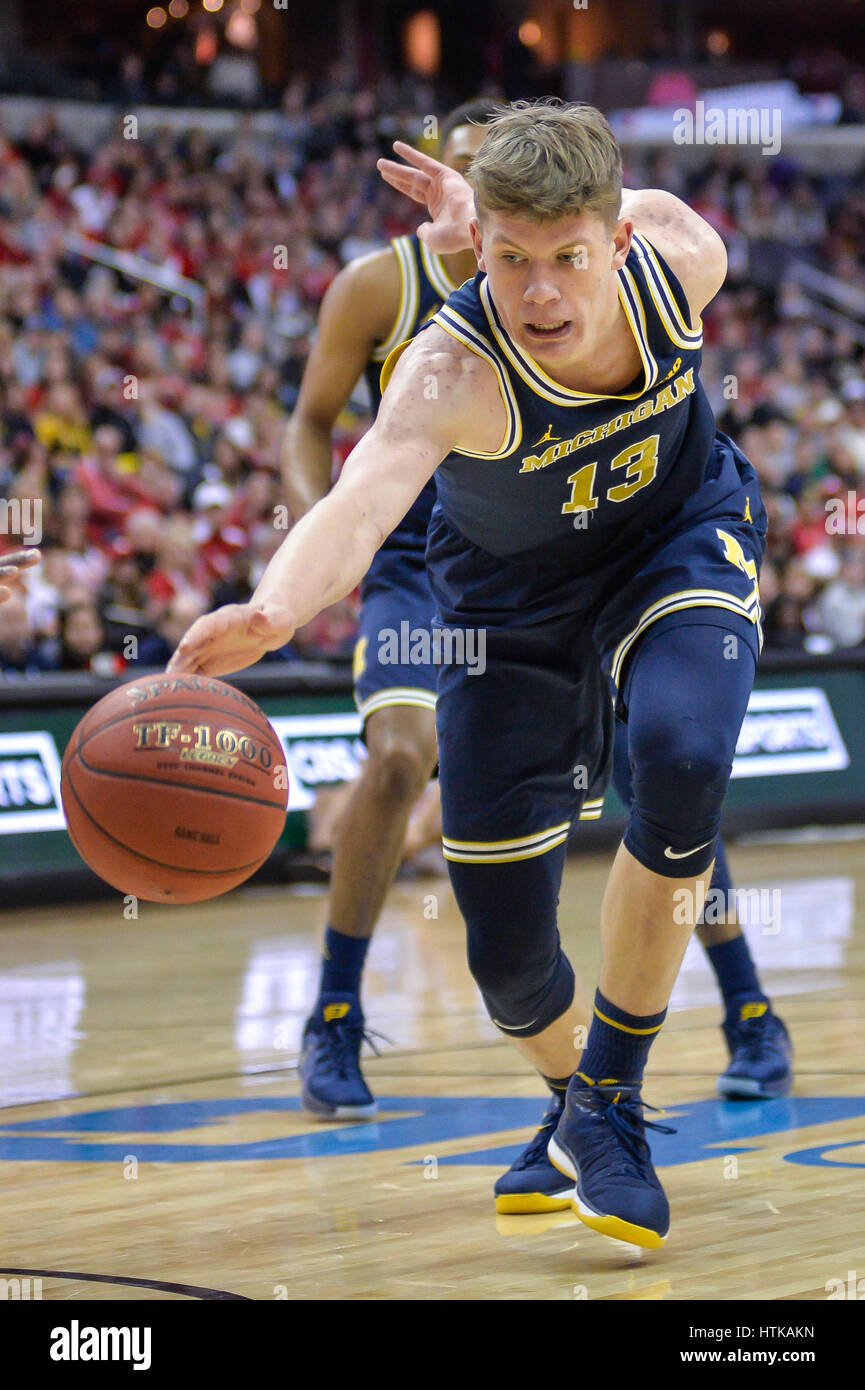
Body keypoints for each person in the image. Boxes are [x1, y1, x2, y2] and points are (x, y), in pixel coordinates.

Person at [170, 101, 777, 1250]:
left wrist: (504, 227)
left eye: (567, 260)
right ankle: (575, 1107)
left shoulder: (683, 258)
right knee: (502, 951)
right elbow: (358, 503)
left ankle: (608, 1109)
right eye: (510, 260)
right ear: (479, 243)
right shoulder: (451, 367)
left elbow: (636, 236)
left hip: (676, 540)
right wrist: (274, 605)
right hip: (507, 605)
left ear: (621, 242)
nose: (541, 293)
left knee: (685, 758)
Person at [279, 100, 499, 1121]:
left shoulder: (549, 285)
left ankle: (743, 1005)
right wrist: (327, 527)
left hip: (530, 558)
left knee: (659, 751)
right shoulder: (380, 282)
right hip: (415, 556)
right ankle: (332, 1009)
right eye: (461, 165)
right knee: (402, 755)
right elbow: (310, 422)